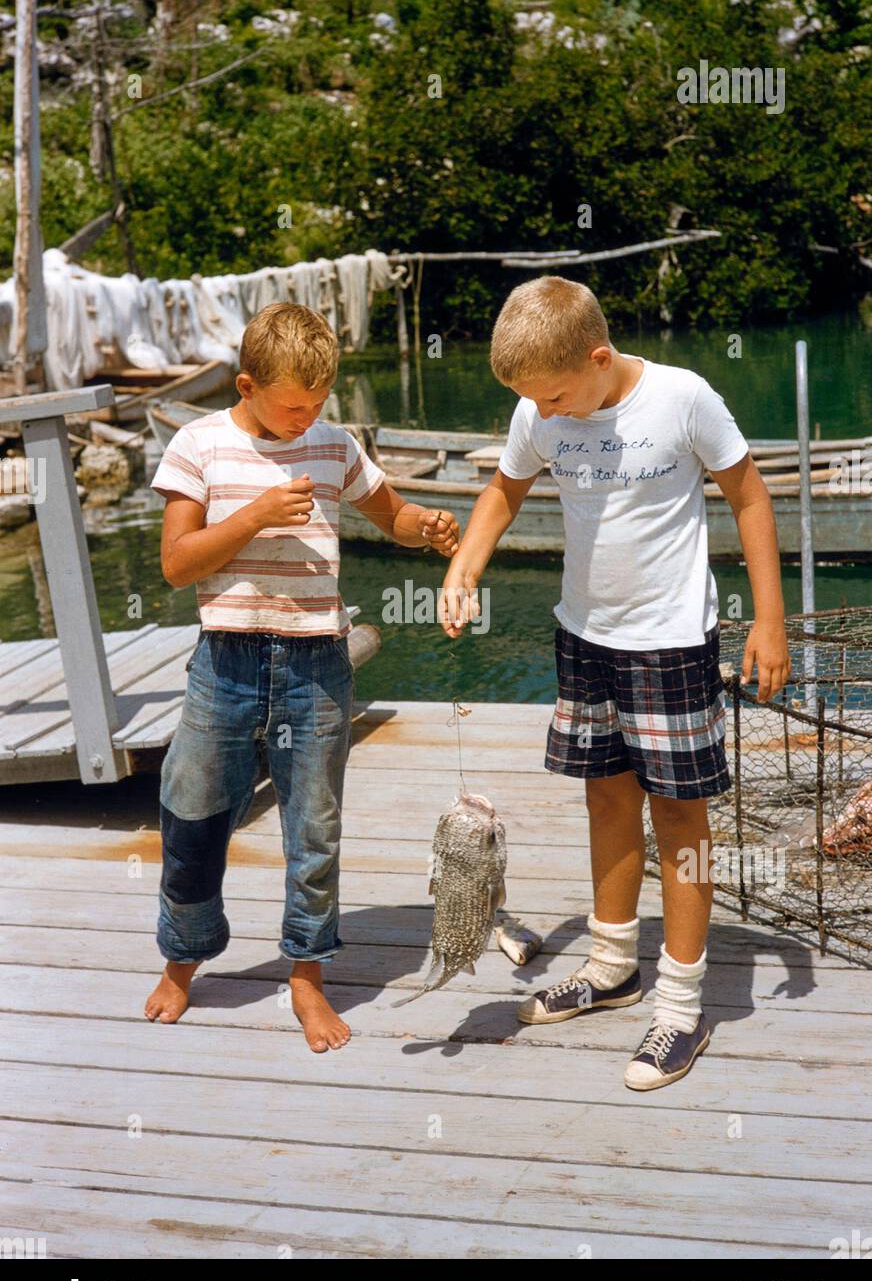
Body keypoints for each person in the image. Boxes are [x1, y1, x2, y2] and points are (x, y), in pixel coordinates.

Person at [439, 276, 791, 1090]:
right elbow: (503, 489)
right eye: (536, 404)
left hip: (670, 643)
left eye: (559, 397)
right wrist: (466, 563)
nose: (548, 416)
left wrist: (766, 621)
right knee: (606, 797)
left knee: (680, 816)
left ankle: (679, 1004)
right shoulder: (540, 408)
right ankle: (611, 968)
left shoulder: (682, 399)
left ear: (600, 358)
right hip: (584, 635)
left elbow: (749, 497)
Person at [144, 302, 459, 1052]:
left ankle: (306, 977)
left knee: (313, 830)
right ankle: (182, 962)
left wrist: (428, 529)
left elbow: (392, 512)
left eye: (318, 404)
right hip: (225, 660)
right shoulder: (198, 445)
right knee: (191, 815)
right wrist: (253, 516)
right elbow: (176, 564)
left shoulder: (332, 444)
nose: (306, 418)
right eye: (292, 405)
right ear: (247, 385)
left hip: (316, 661)